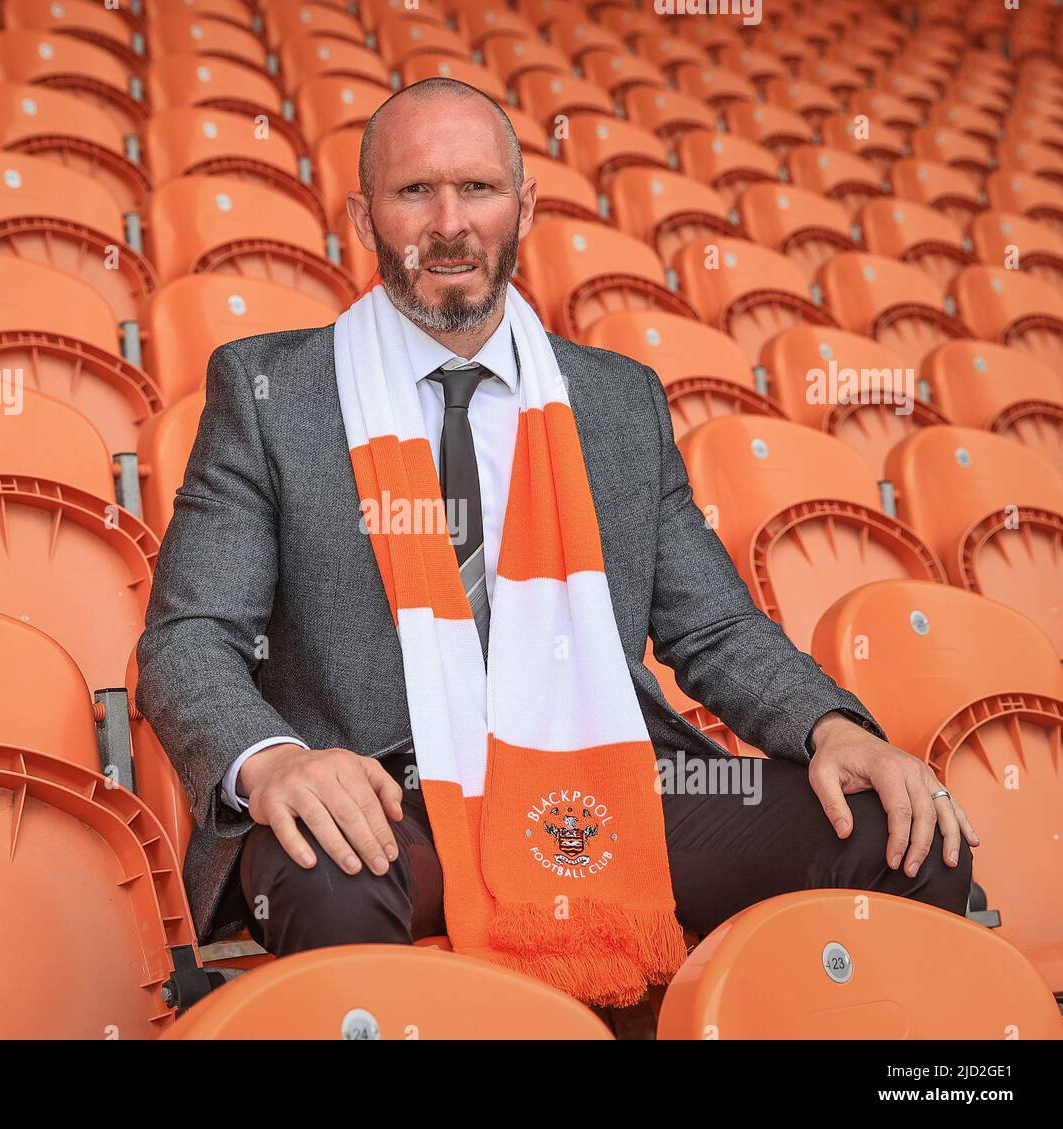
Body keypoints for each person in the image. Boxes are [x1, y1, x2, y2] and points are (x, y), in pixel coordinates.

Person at [137, 78, 975, 1005]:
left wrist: (831, 726)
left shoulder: (616, 401)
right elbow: (189, 638)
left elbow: (716, 629)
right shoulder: (269, 393)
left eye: (479, 190)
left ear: (525, 205)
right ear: (363, 213)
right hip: (390, 792)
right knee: (326, 873)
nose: (449, 225)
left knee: (905, 831)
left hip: (608, 775)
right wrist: (277, 760)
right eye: (415, 192)